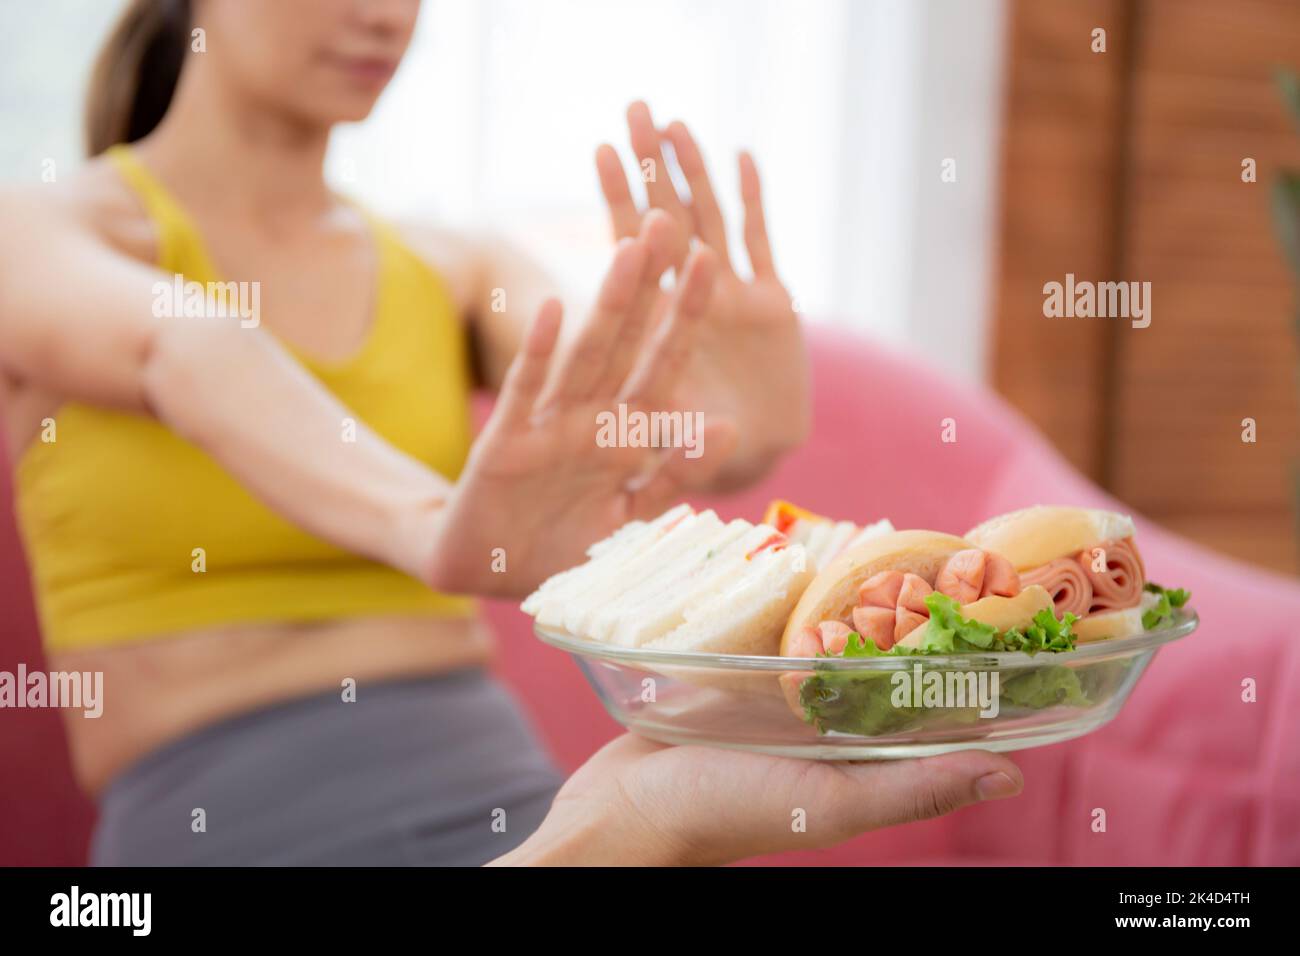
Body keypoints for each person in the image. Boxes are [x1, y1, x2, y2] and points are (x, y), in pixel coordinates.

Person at [0, 0, 1020, 867]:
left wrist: (718, 422)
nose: (387, 14)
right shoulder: (42, 232)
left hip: (499, 794)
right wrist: (428, 522)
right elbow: (181, 349)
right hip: (222, 817)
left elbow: (603, 394)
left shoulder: (449, 261)